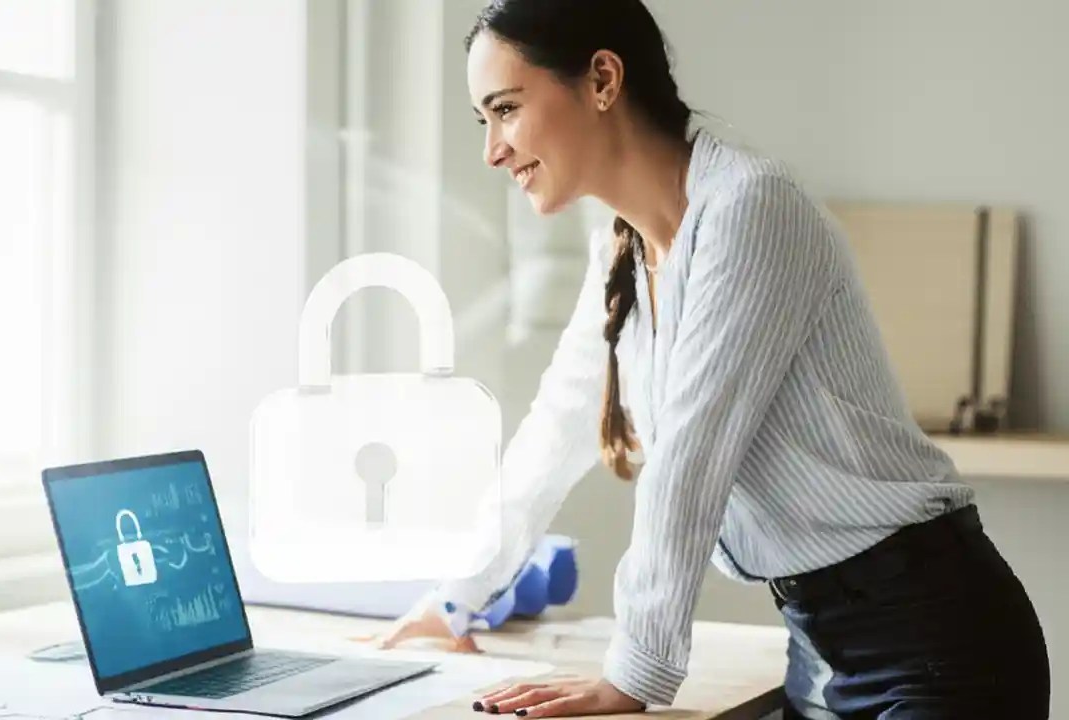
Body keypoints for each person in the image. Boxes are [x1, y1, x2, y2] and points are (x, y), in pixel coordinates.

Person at [369, 1, 1050, 718]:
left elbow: (691, 458)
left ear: (602, 78)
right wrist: (455, 602)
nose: (493, 150)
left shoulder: (751, 209)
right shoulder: (620, 247)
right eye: (485, 120)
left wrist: (632, 675)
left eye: (506, 109)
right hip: (817, 649)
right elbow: (554, 430)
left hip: (933, 647)